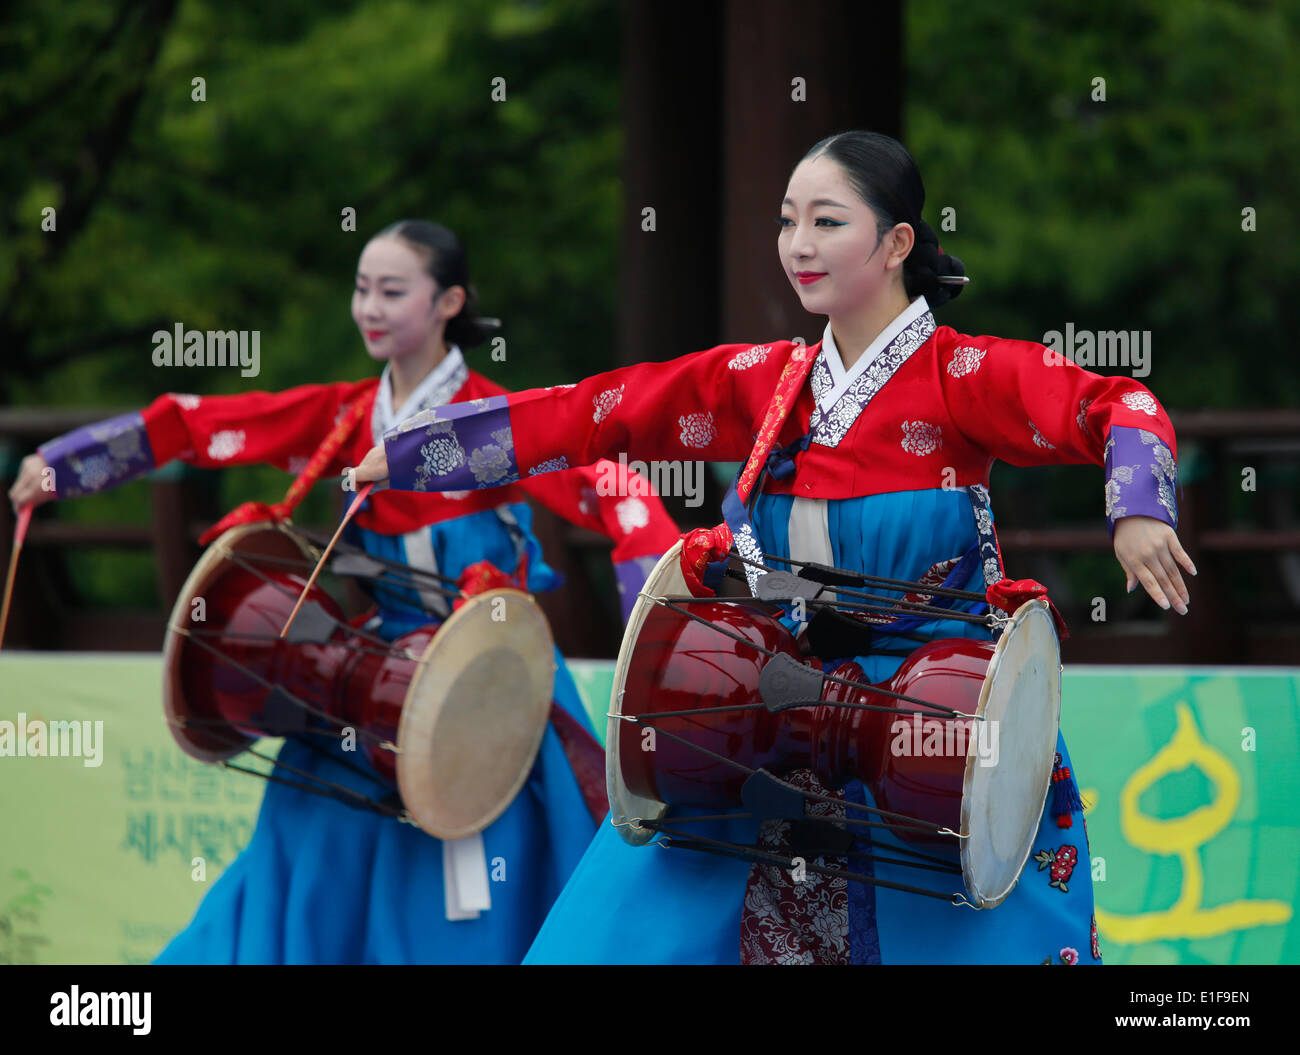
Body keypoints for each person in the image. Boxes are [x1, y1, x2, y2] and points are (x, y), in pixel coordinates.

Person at [352, 133, 1194, 965]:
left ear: (898, 242)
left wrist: (1139, 508)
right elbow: (600, 410)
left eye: (827, 222)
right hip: (760, 718)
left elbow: (1118, 404)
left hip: (932, 727)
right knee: (616, 929)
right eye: (788, 221)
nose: (798, 245)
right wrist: (428, 449)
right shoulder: (761, 382)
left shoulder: (961, 375)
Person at [8, 219, 681, 964]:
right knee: (306, 823)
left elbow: (613, 488)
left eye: (393, 290)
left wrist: (655, 620)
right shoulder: (345, 418)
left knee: (503, 856)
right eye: (362, 289)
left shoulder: (496, 423)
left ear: (449, 300)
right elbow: (201, 425)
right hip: (365, 672)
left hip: (489, 673)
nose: (370, 307)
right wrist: (69, 465)